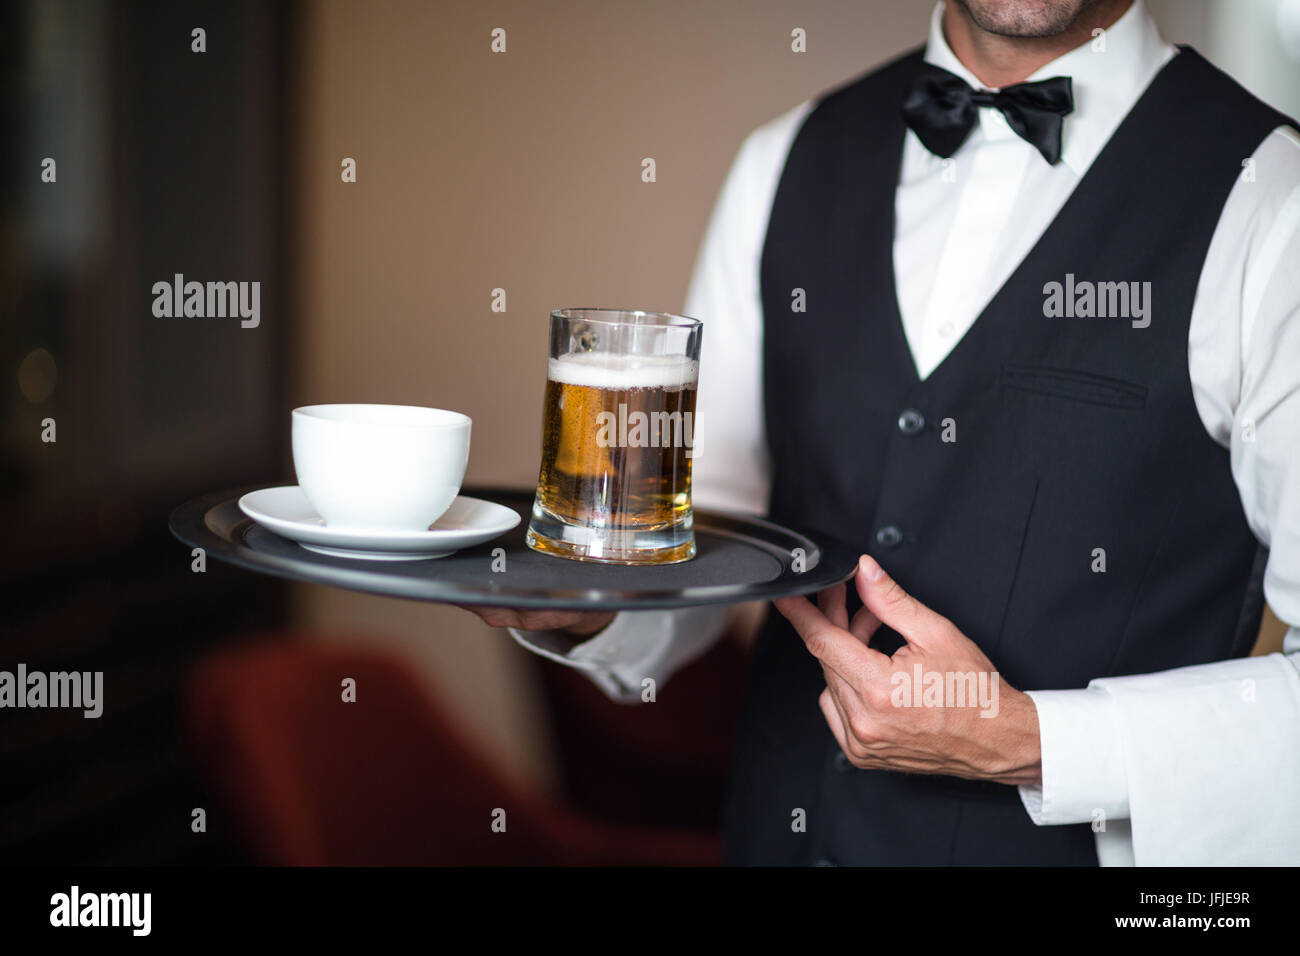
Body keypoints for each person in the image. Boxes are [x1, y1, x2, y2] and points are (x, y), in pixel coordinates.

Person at [465, 0, 1300, 865]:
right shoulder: (781, 160)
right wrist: (585, 611)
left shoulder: (1275, 202)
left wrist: (1033, 741)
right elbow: (704, 530)